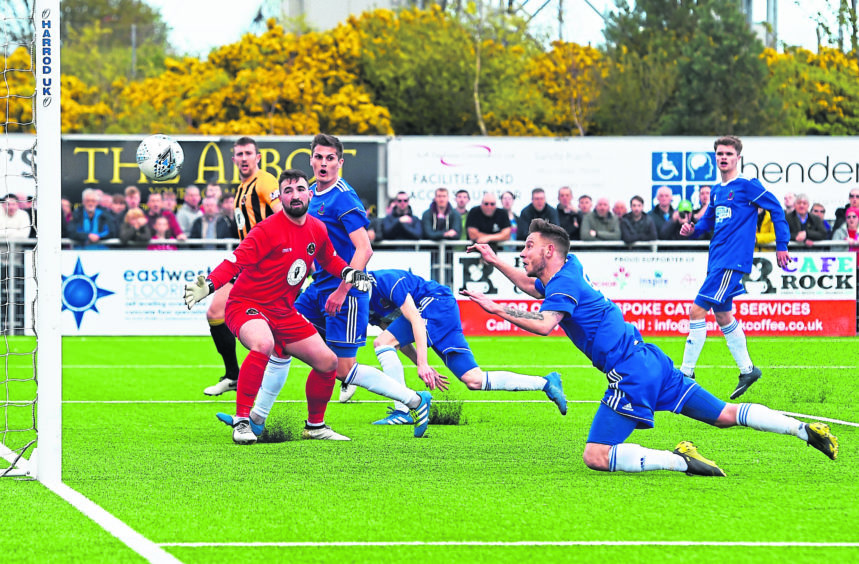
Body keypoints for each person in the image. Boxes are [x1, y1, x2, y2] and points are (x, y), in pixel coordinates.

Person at [463, 219, 838, 476]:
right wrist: (495, 262)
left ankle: (679, 461)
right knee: (724, 414)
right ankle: (805, 430)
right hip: (651, 359)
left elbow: (545, 325)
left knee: (595, 456)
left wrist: (495, 308)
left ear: (549, 252)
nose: (522, 253)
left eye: (528, 246)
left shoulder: (564, 283)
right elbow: (533, 288)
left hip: (631, 374)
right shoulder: (569, 268)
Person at [183, 169, 399, 443]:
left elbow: (329, 260)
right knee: (263, 344)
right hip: (247, 305)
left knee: (328, 362)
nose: (295, 195)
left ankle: (315, 426)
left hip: (283, 310)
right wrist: (210, 285)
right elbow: (234, 262)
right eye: (288, 191)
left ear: (309, 194)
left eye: (299, 189)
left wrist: (349, 273)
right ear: (280, 197)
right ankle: (242, 422)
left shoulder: (317, 228)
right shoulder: (266, 230)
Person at [294, 133, 435, 415]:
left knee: (342, 369)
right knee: (280, 332)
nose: (323, 163)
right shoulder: (310, 192)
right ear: (311, 160)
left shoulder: (344, 198)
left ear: (340, 162)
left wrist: (342, 290)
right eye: (318, 157)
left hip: (344, 293)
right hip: (317, 288)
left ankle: (414, 400)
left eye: (330, 158)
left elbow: (364, 249)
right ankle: (252, 417)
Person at [365, 268, 567, 424]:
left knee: (380, 343)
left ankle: (402, 411)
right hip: (443, 310)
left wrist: (423, 363)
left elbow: (415, 320)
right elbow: (396, 340)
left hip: (435, 303)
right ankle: (545, 383)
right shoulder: (364, 306)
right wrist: (419, 361)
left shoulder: (386, 281)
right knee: (474, 380)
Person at [678, 136, 791, 398]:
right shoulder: (717, 190)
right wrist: (691, 230)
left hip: (732, 260)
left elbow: (777, 210)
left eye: (729, 153)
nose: (723, 157)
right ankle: (748, 369)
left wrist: (782, 245)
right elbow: (706, 224)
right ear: (715, 157)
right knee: (723, 315)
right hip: (717, 260)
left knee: (696, 310)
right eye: (719, 153)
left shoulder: (748, 186)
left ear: (738, 157)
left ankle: (685, 373)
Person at [202, 137, 282, 397]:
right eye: (239, 154)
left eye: (249, 153)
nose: (244, 158)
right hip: (246, 262)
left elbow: (283, 215)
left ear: (258, 157)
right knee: (215, 312)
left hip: (266, 265)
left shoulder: (266, 181)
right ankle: (233, 375)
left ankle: (341, 368)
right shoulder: (241, 188)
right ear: (234, 159)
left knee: (282, 331)